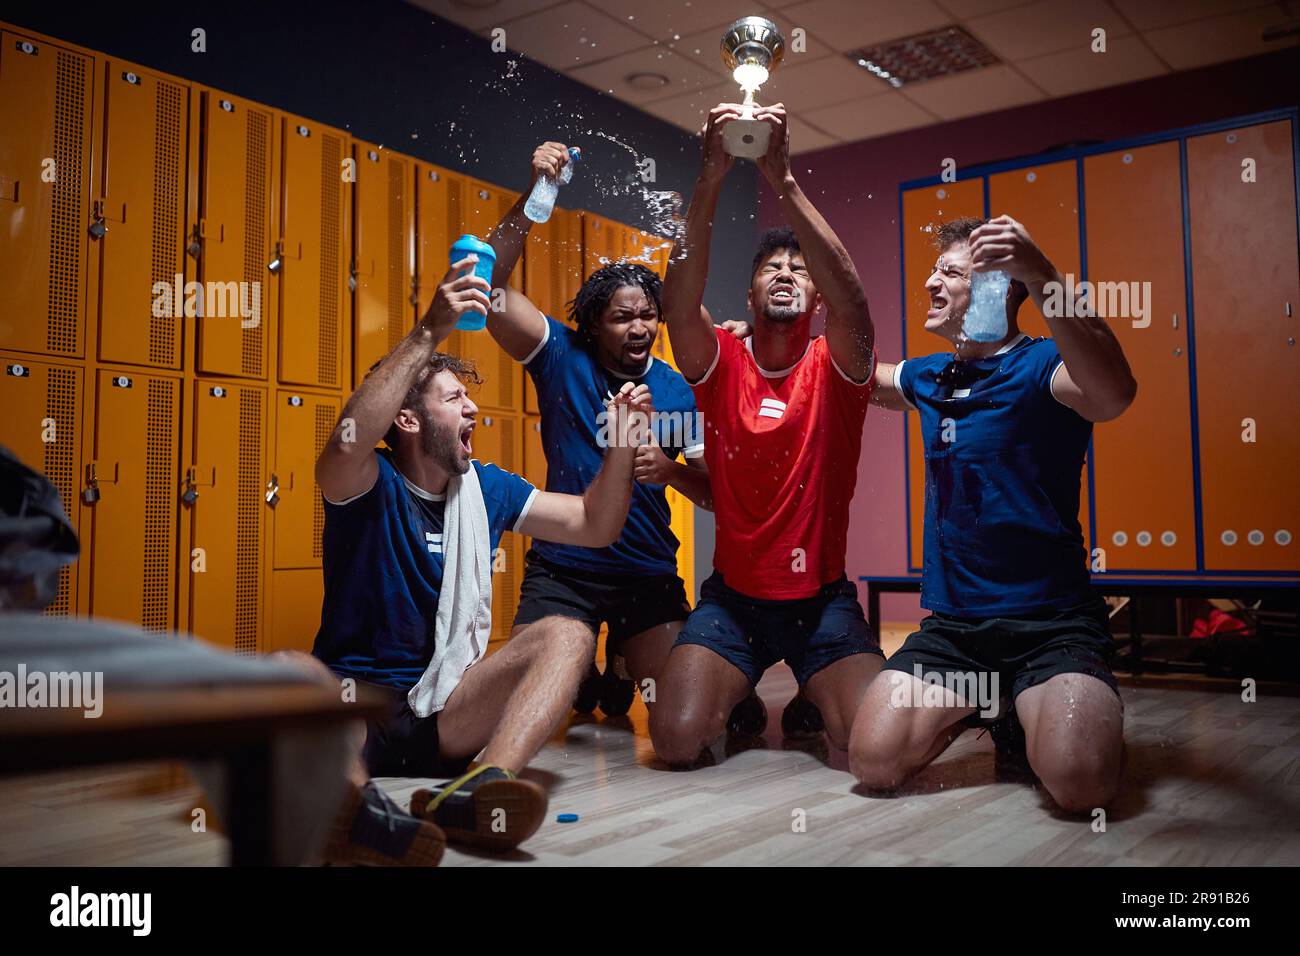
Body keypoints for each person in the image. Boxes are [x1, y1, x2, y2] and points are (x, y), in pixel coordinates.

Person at [281, 254, 653, 863]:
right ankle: (358, 814)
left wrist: (623, 441)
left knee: (566, 634)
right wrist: (429, 329)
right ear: (406, 418)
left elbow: (596, 523)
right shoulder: (365, 485)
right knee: (288, 667)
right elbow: (346, 437)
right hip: (359, 708)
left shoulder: (487, 489)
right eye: (455, 399)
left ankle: (476, 791)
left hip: (444, 709)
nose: (473, 410)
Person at [848, 215, 1136, 813]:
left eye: (950, 272)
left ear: (997, 293)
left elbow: (1114, 393)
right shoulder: (930, 375)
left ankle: (1050, 714)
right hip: (958, 630)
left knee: (1079, 785)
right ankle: (999, 707)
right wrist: (755, 341)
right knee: (874, 762)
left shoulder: (1045, 366)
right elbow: (845, 381)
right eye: (935, 269)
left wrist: (1040, 271)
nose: (930, 281)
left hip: (1052, 626)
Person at [650, 103, 884, 767]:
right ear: (750, 294)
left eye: (799, 268)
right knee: (675, 740)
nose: (786, 271)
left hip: (823, 601)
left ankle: (812, 691)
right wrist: (710, 179)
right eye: (771, 266)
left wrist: (782, 178)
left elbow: (857, 307)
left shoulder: (837, 368)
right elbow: (678, 303)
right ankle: (741, 694)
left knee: (869, 743)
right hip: (735, 601)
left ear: (814, 298)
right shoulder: (721, 360)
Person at [479, 141, 713, 720]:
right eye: (621, 317)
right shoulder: (562, 356)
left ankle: (626, 661)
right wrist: (537, 194)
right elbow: (489, 286)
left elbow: (714, 491)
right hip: (565, 571)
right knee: (529, 707)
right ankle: (592, 671)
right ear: (592, 325)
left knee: (682, 721)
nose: (640, 328)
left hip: (646, 572)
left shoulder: (678, 389)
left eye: (648, 315)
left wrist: (669, 468)